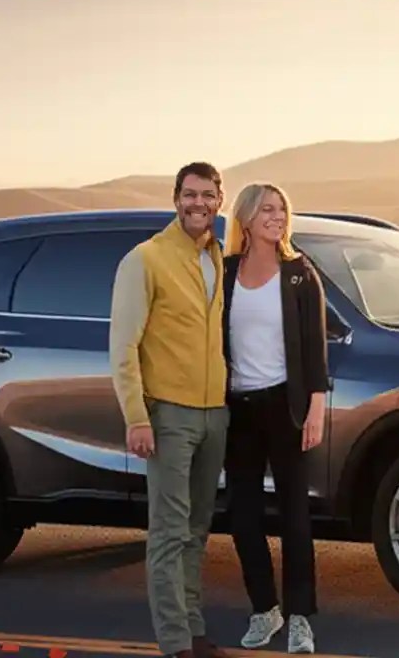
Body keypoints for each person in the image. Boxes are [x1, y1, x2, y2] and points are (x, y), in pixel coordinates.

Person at [110, 162, 231, 658]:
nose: (197, 203)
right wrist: (137, 417)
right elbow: (123, 346)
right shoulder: (145, 260)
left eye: (206, 195)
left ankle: (194, 631)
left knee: (197, 532)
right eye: (189, 195)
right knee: (168, 532)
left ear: (219, 201)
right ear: (175, 199)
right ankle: (176, 644)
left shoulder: (216, 257)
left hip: (213, 414)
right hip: (168, 417)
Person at [220, 182, 329, 654]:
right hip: (238, 410)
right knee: (242, 518)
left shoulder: (299, 274)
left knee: (295, 519)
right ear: (245, 217)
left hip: (287, 406)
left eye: (282, 209)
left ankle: (301, 617)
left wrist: (316, 408)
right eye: (267, 209)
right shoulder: (224, 273)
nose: (277, 216)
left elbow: (316, 349)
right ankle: (265, 609)